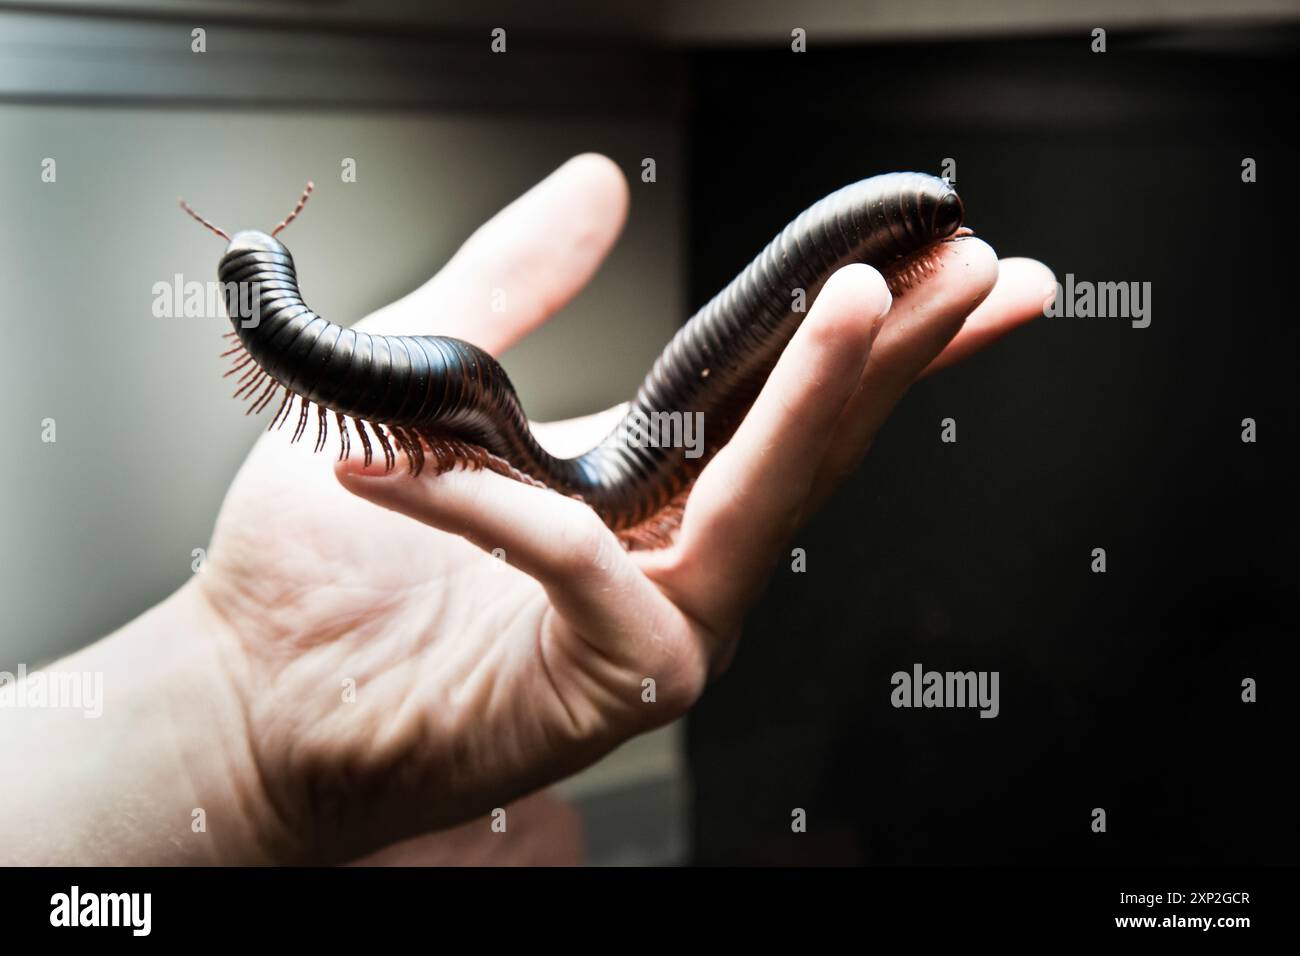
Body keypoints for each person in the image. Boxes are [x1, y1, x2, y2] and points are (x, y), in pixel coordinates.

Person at [0, 155, 1053, 865]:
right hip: (588, 474)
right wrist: (245, 728)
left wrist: (247, 737)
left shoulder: (371, 382)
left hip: (595, 472)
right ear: (266, 297)